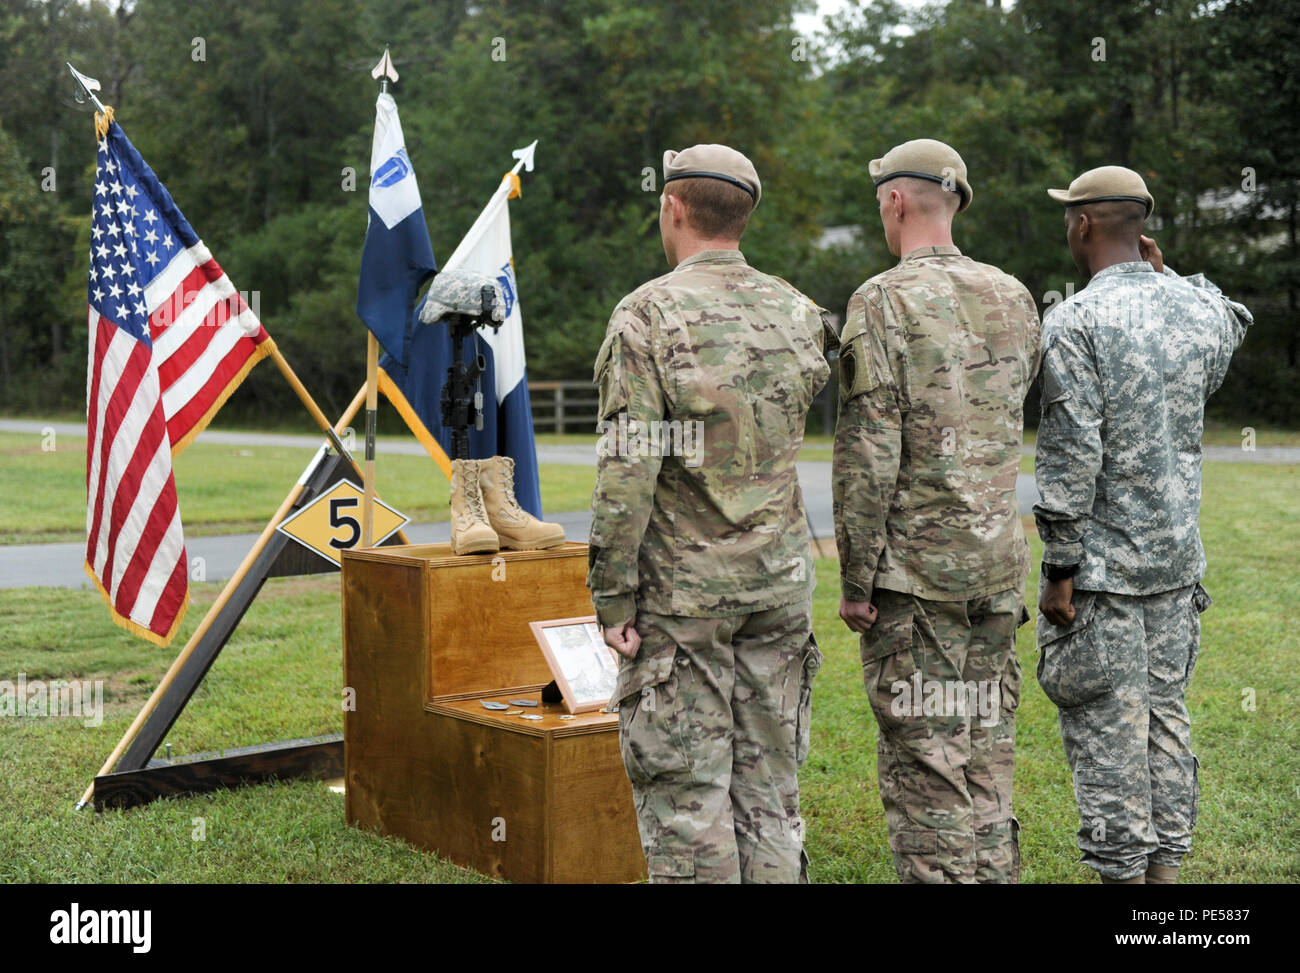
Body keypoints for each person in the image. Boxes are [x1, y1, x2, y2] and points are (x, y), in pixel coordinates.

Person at [587, 143, 837, 884]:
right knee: (771, 793)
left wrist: (612, 596)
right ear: (743, 215)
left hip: (682, 600)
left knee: (688, 802)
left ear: (673, 208)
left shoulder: (648, 315)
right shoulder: (798, 311)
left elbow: (627, 472)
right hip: (779, 588)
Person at [1035, 165, 1252, 885]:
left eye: (1071, 216)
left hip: (1101, 576)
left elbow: (1071, 454)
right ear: (1145, 229)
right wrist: (1175, 274)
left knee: (1107, 739)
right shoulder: (1194, 311)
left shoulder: (1074, 321)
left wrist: (1059, 568)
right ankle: (1165, 895)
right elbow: (1233, 314)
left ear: (1085, 225)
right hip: (1175, 568)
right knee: (1166, 724)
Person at [833, 138, 1041, 883]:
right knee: (986, 754)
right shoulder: (1014, 296)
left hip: (916, 580)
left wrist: (856, 578)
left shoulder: (882, 301)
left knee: (929, 768)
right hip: (994, 571)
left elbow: (869, 453)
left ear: (896, 200)